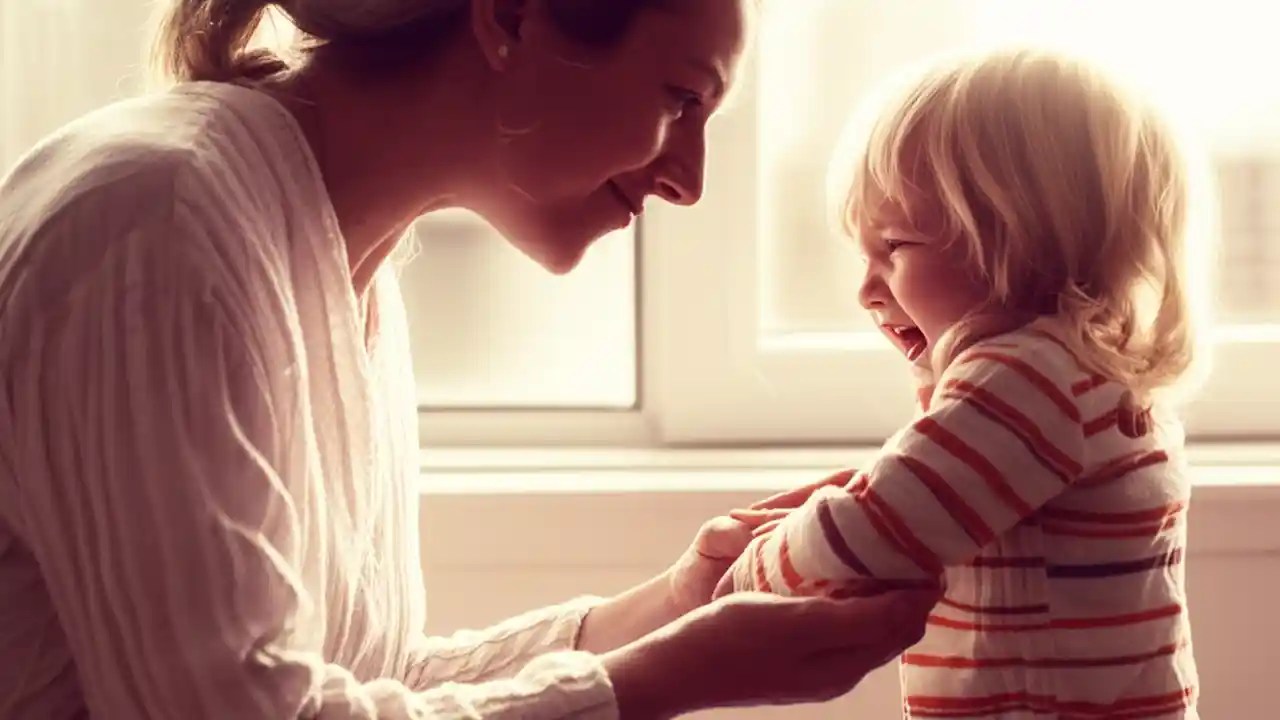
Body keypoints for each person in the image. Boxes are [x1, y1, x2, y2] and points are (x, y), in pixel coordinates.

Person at [0, 0, 937, 718]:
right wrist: (660, 680)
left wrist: (676, 604)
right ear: (512, 19)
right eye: (681, 98)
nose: (688, 182)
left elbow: (368, 682)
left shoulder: (343, 265)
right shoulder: (161, 228)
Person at [718, 47, 1209, 719]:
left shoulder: (1026, 382)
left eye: (895, 246)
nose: (865, 290)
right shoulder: (1084, 375)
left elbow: (872, 533)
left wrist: (744, 578)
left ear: (1023, 236)